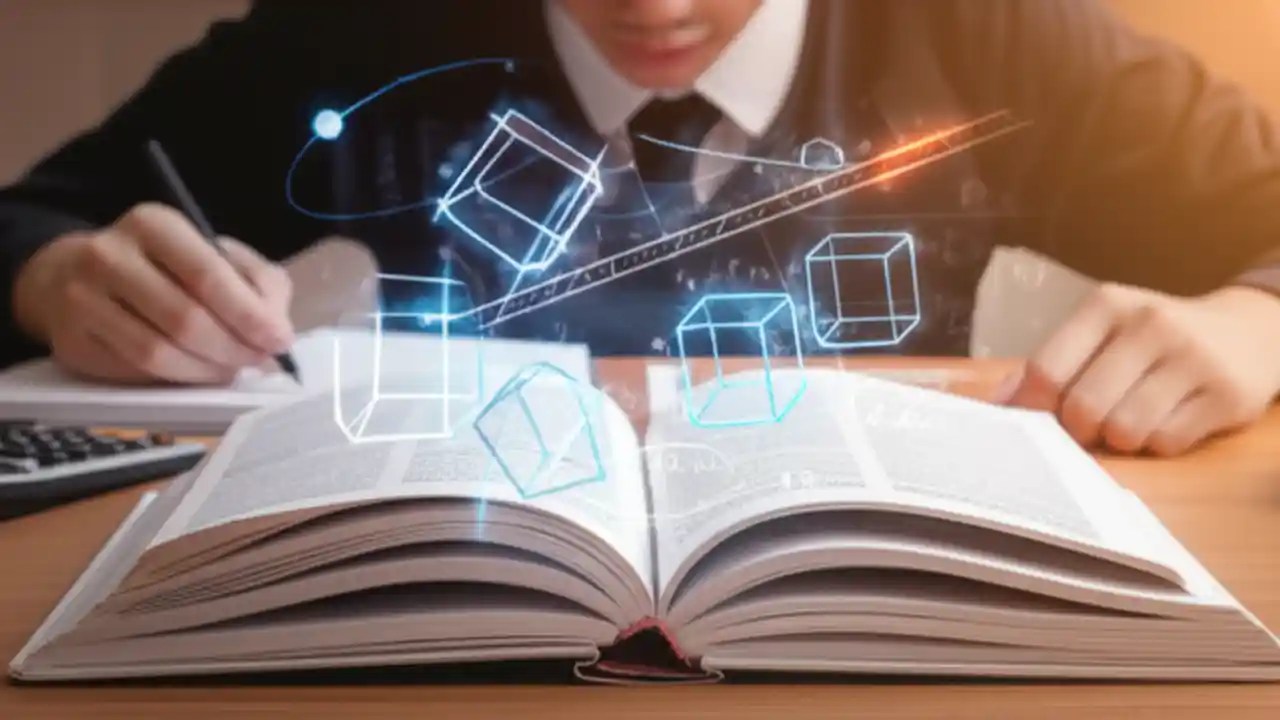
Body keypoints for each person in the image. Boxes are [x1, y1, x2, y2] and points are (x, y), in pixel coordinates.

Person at [2, 0, 1280, 458]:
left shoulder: (982, 29)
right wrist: (57, 276)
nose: (654, 4)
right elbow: (29, 216)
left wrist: (1255, 316)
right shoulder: (359, 33)